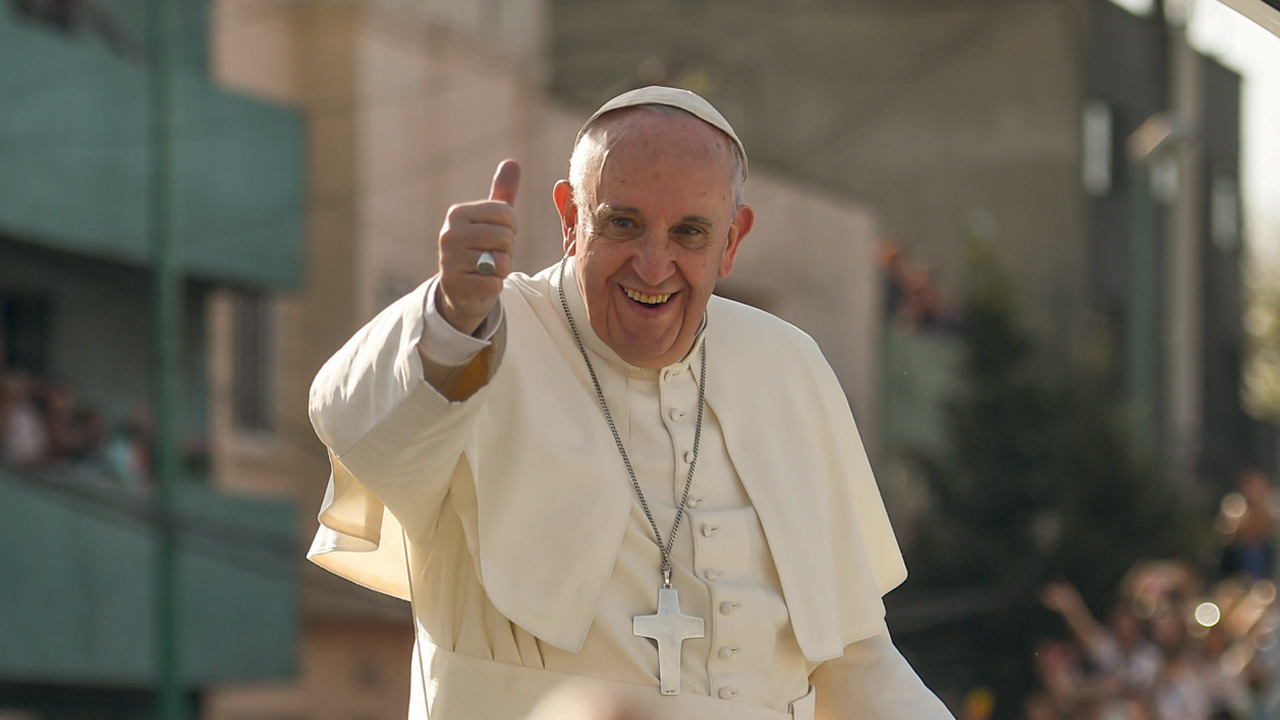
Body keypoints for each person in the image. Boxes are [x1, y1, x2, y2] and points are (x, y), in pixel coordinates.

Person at [307, 86, 953, 720]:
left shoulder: (789, 368)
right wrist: (450, 318)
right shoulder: (483, 338)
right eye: (623, 223)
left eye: (690, 233)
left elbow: (851, 662)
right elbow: (354, 422)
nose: (652, 265)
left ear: (733, 241)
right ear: (569, 218)